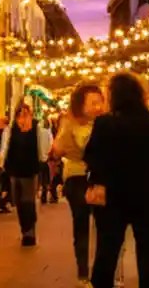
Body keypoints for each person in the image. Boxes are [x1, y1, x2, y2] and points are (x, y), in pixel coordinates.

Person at [84, 72, 149, 288]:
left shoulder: (104, 124)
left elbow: (91, 157)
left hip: (112, 196)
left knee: (107, 251)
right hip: (147, 195)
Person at [53, 82, 105, 285]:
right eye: (93, 103)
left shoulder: (103, 124)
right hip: (77, 178)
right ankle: (83, 274)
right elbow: (57, 149)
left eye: (100, 102)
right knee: (81, 226)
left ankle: (101, 272)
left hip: (100, 178)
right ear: (80, 105)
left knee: (104, 226)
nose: (98, 107)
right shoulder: (70, 124)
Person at [0, 101, 51, 247]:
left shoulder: (36, 128)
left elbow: (43, 146)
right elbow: (5, 147)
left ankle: (30, 233)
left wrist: (43, 159)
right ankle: (24, 229)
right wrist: (1, 161)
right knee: (18, 201)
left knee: (28, 201)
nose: (23, 117)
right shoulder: (11, 129)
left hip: (30, 169)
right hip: (14, 169)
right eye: (20, 114)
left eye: (25, 113)